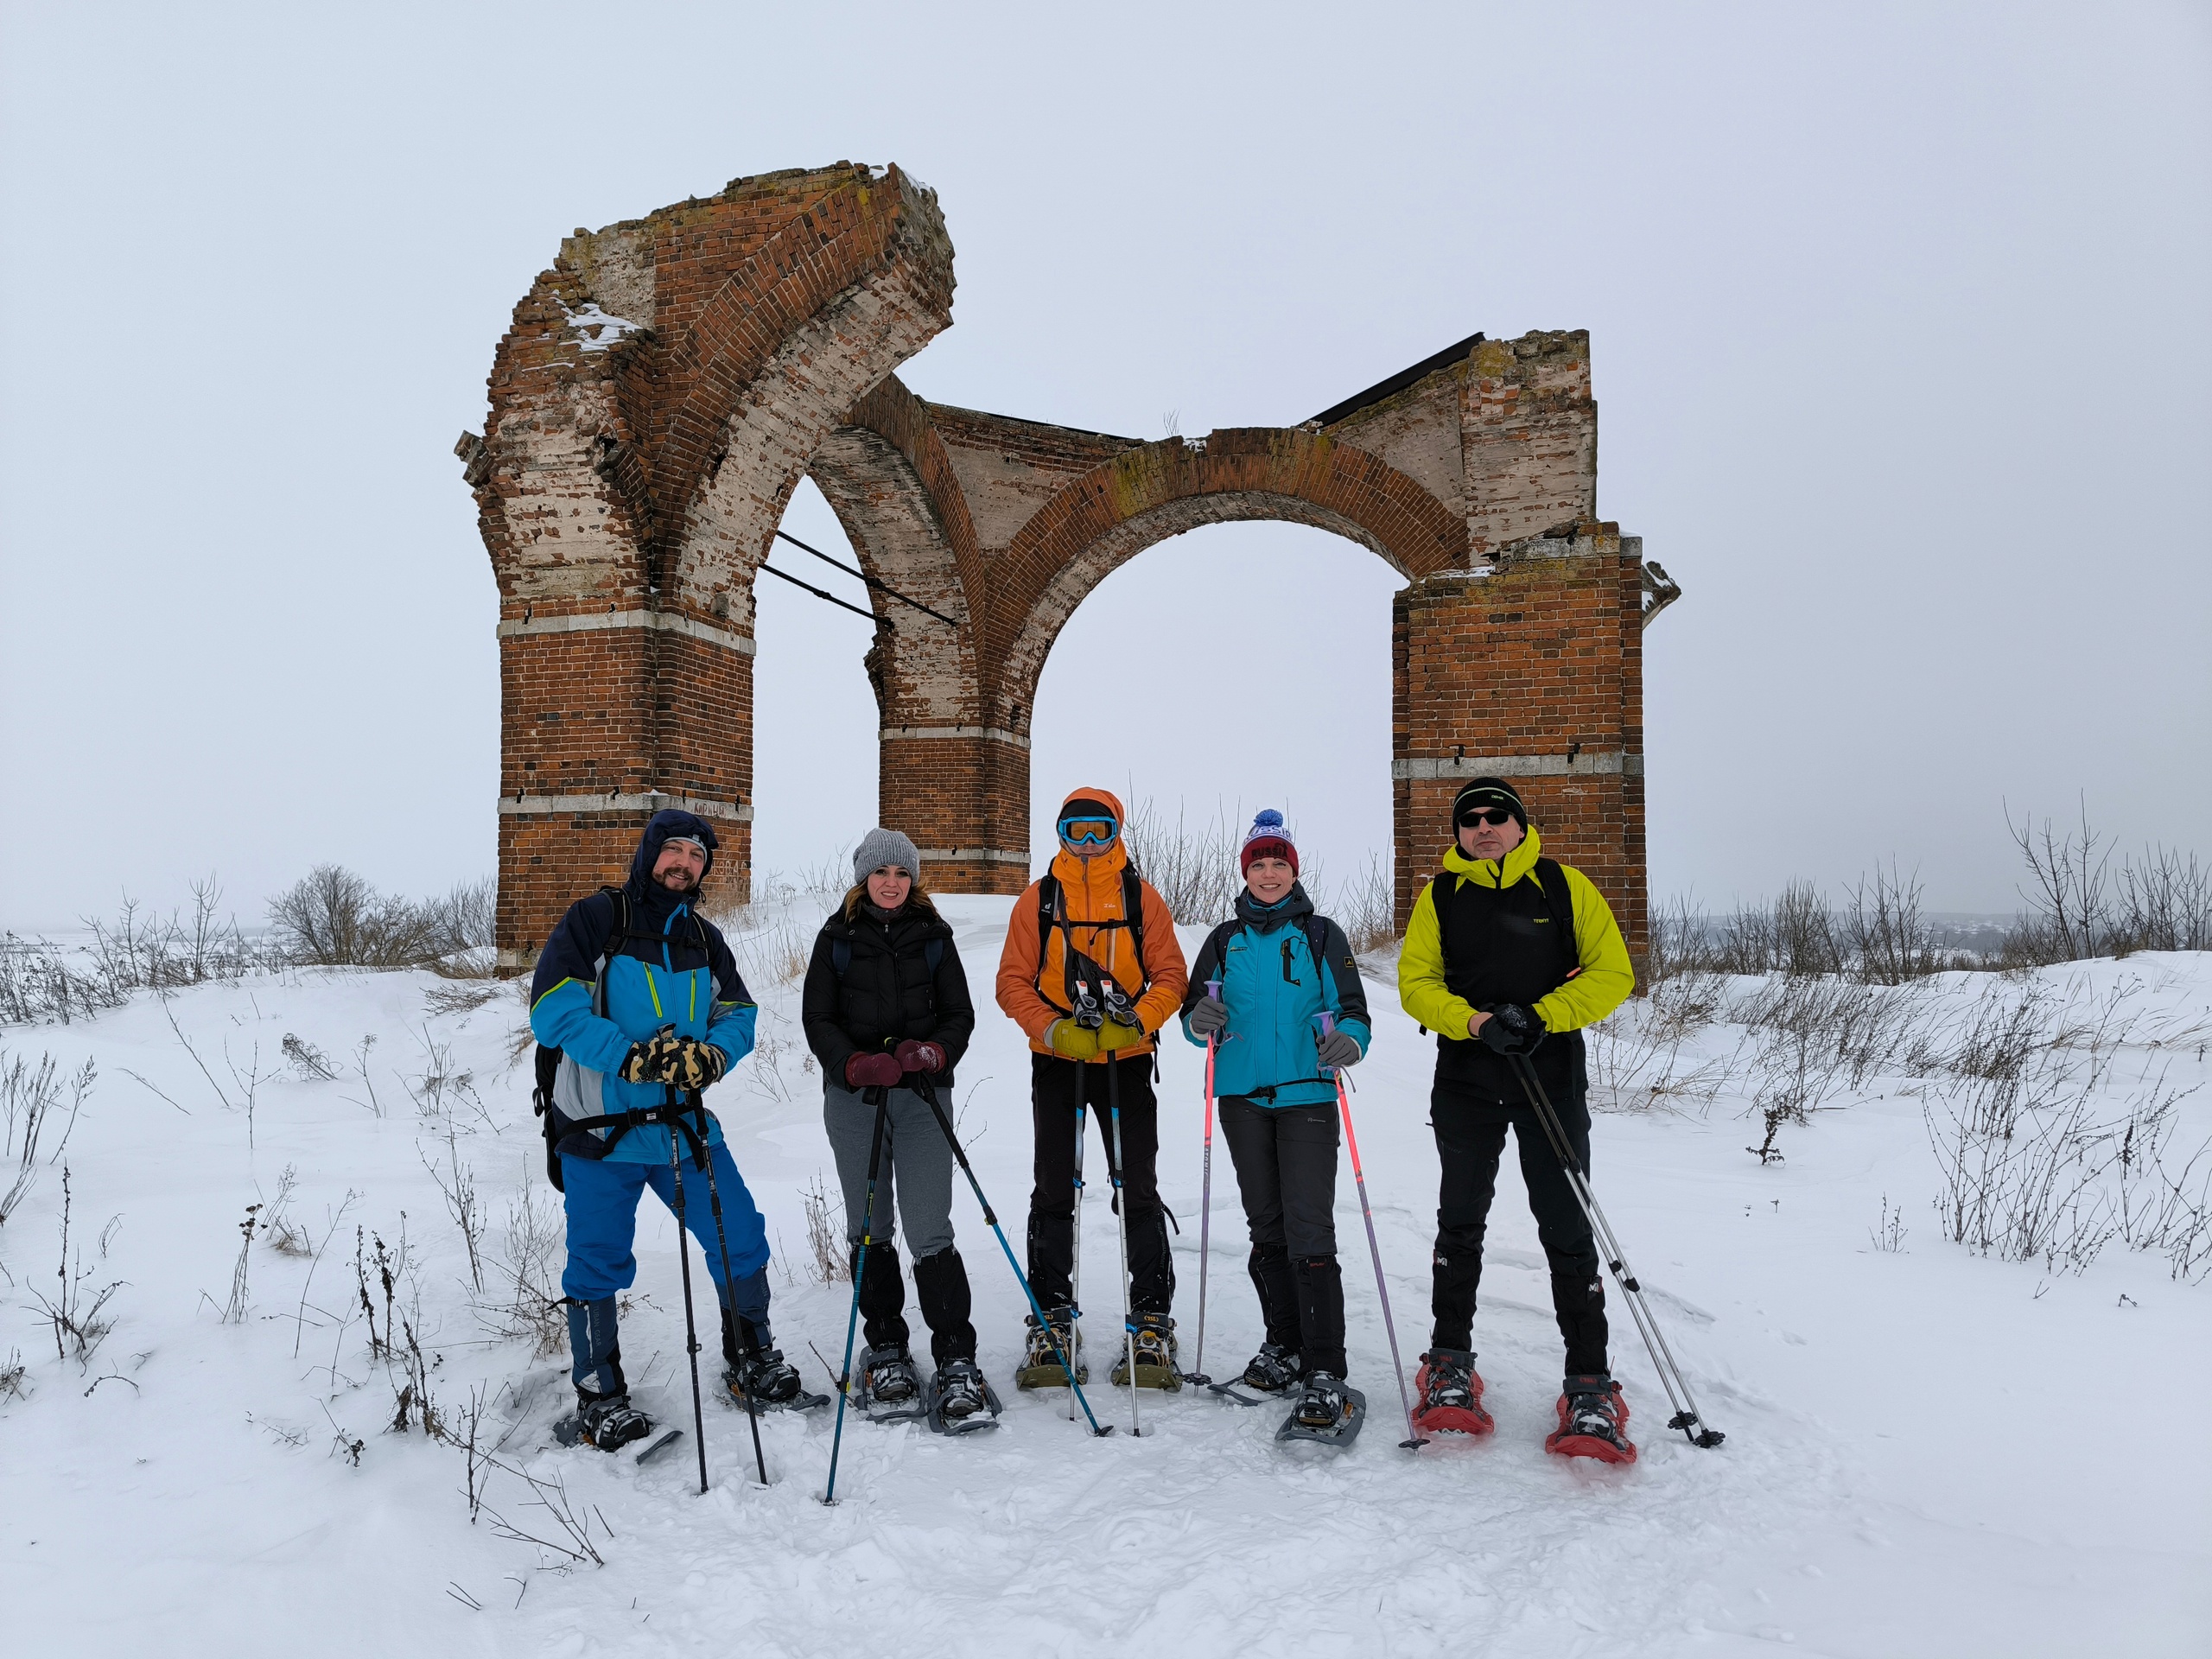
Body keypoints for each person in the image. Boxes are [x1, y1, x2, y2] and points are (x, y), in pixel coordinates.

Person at [529, 809, 804, 1450]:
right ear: (649, 853)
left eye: (696, 855)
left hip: (683, 1128)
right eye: (672, 850)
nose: (683, 863)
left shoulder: (704, 940)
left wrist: (713, 1054)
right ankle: (600, 1396)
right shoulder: (595, 921)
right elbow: (552, 1012)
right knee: (596, 1262)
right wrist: (631, 1056)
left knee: (739, 1234)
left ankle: (752, 1359)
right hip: (601, 1131)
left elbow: (739, 1011)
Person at [1396, 777, 1638, 1462]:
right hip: (1468, 1079)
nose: (1482, 827)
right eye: (1469, 819)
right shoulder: (1441, 896)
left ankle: (1589, 1384)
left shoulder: (1562, 887)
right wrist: (1473, 1021)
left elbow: (1611, 972)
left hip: (1549, 1078)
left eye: (1495, 816)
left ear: (1518, 823)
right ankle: (1449, 1365)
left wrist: (1540, 1017)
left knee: (1566, 1227)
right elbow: (1417, 983)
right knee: (1460, 1221)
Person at [1179, 810, 1371, 1433]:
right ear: (1246, 872)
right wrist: (1197, 1024)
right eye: (1258, 864)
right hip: (1239, 1097)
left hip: (1307, 1095)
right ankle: (1284, 1347)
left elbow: (1355, 1012)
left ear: (1294, 871)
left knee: (1309, 1226)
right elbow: (1193, 1013)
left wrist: (1349, 1040)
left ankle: (1326, 1369)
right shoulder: (1223, 938)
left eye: (1278, 864)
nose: (1268, 873)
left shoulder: (1321, 934)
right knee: (1266, 1224)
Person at [995, 786, 1190, 1389]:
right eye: (1074, 830)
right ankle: (1051, 1316)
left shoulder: (1140, 897)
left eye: (1097, 831)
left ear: (1116, 833)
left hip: (1126, 1057)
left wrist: (1139, 1017)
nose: (1086, 842)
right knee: (1055, 1183)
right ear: (1059, 834)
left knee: (1136, 1182)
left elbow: (1171, 976)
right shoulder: (1037, 900)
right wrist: (1052, 1029)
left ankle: (1151, 1318)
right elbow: (1011, 981)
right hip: (1059, 1058)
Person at [800, 828, 989, 1424]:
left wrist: (935, 1053)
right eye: (881, 873)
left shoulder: (934, 936)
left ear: (914, 880)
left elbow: (960, 1014)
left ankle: (956, 1357)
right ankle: (885, 1348)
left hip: (921, 1098)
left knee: (930, 1224)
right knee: (870, 1224)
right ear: (864, 878)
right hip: (856, 1100)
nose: (891, 883)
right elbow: (817, 1017)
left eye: (902, 874)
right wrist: (852, 1063)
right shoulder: (835, 937)